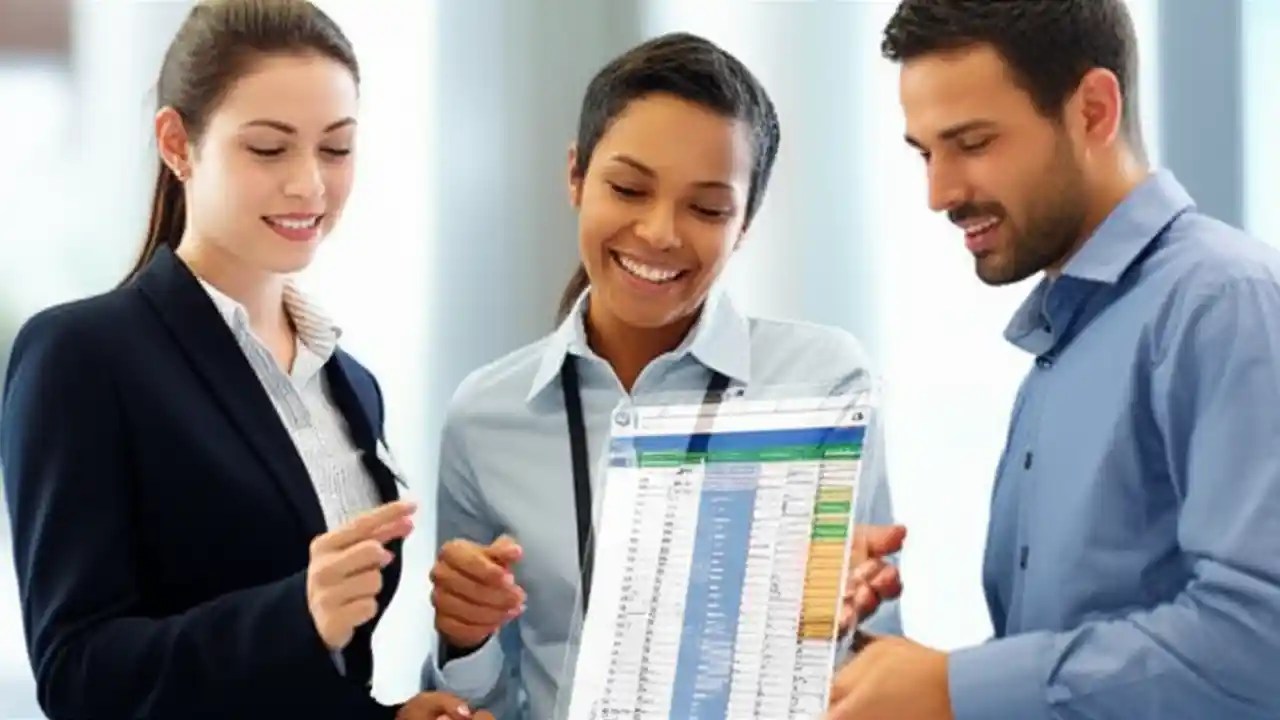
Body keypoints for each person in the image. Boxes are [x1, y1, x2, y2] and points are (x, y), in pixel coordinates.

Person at [0, 1, 487, 718]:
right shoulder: (81, 357)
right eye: (268, 148)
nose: (309, 185)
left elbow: (311, 683)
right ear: (176, 142)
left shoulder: (351, 384)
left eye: (336, 147)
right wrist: (294, 613)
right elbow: (78, 676)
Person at [422, 32, 905, 719]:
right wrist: (463, 639)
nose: (659, 232)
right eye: (627, 188)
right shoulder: (485, 416)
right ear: (575, 176)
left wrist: (847, 623)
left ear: (744, 225)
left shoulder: (824, 384)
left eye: (707, 209)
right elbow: (479, 702)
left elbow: (876, 666)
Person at [827, 1, 1280, 719]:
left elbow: (1260, 643)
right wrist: (873, 665)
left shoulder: (1223, 302)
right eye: (924, 152)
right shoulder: (1068, 338)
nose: (938, 192)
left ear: (1094, 110)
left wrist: (954, 689)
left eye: (971, 143)